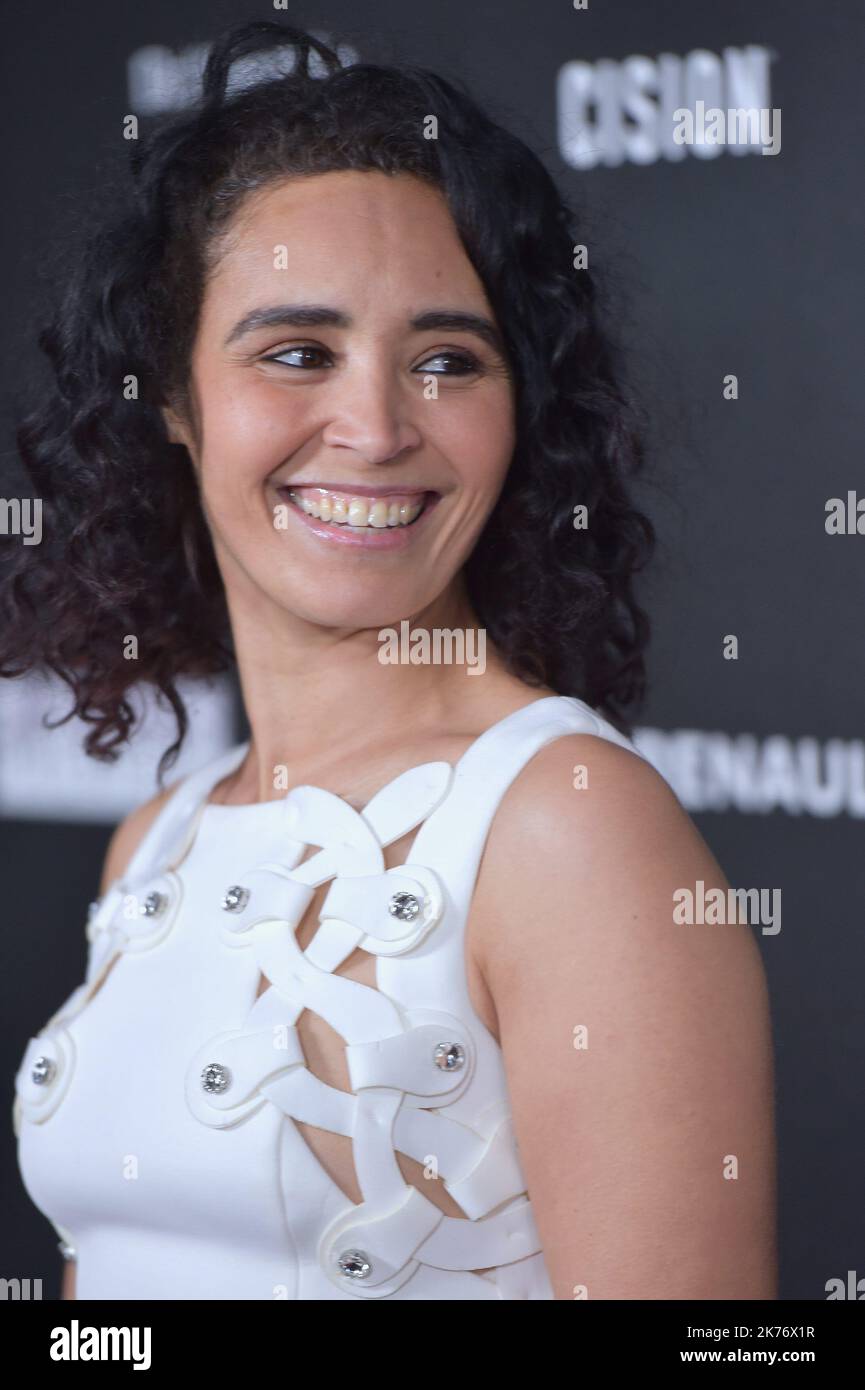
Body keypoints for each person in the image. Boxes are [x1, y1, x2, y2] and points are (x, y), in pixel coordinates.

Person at [5, 18, 776, 1300]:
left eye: (445, 361)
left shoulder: (565, 829)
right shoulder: (158, 842)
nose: (373, 427)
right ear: (175, 399)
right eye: (297, 352)